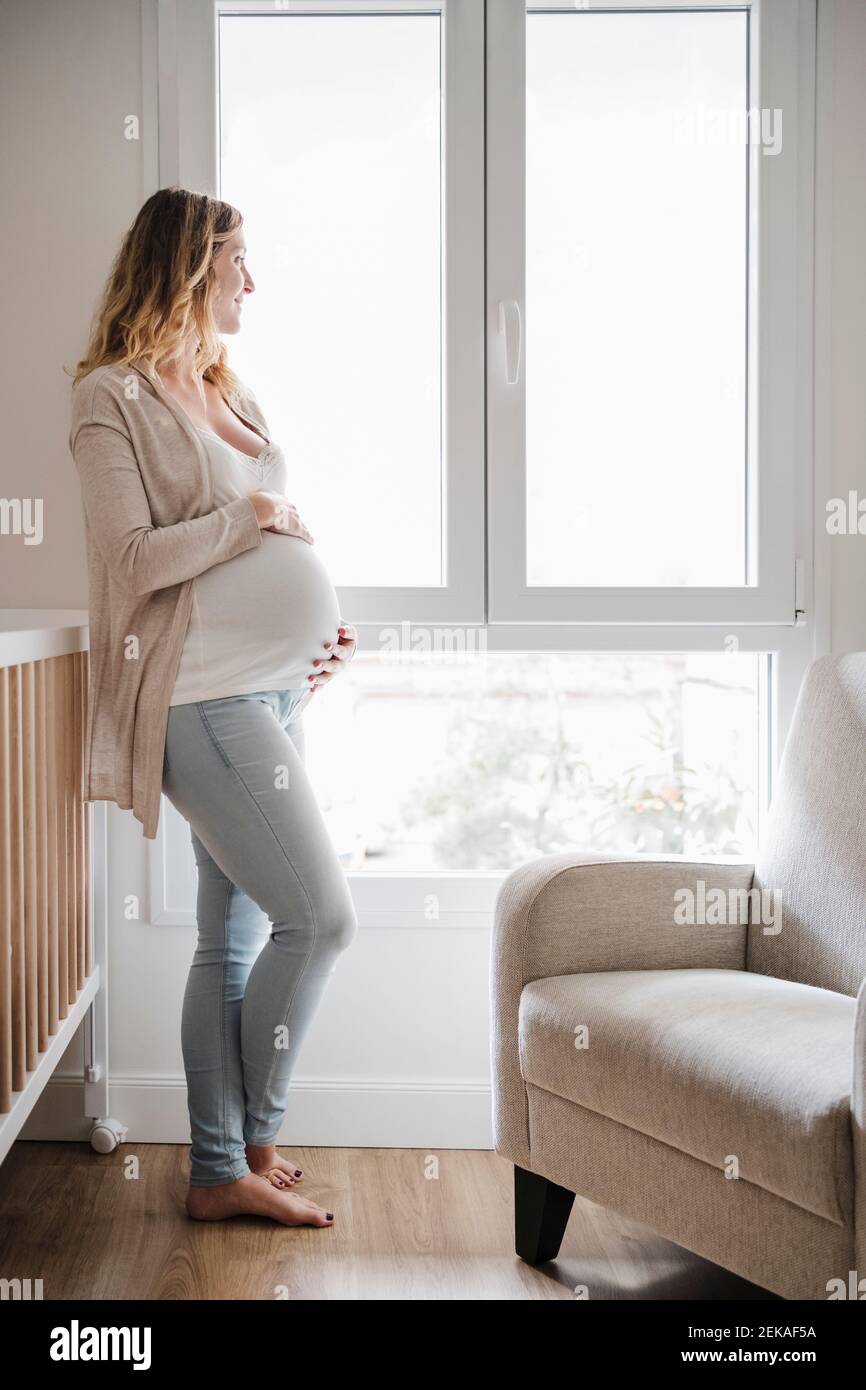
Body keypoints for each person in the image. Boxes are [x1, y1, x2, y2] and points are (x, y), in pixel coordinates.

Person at [68, 187, 359, 1228]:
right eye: (238, 259)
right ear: (189, 266)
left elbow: (270, 528)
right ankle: (244, 1135)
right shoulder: (111, 397)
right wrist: (253, 520)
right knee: (319, 918)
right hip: (199, 694)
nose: (251, 279)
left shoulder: (231, 388)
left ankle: (219, 1164)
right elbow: (132, 558)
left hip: (272, 689)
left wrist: (312, 631)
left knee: (228, 939)